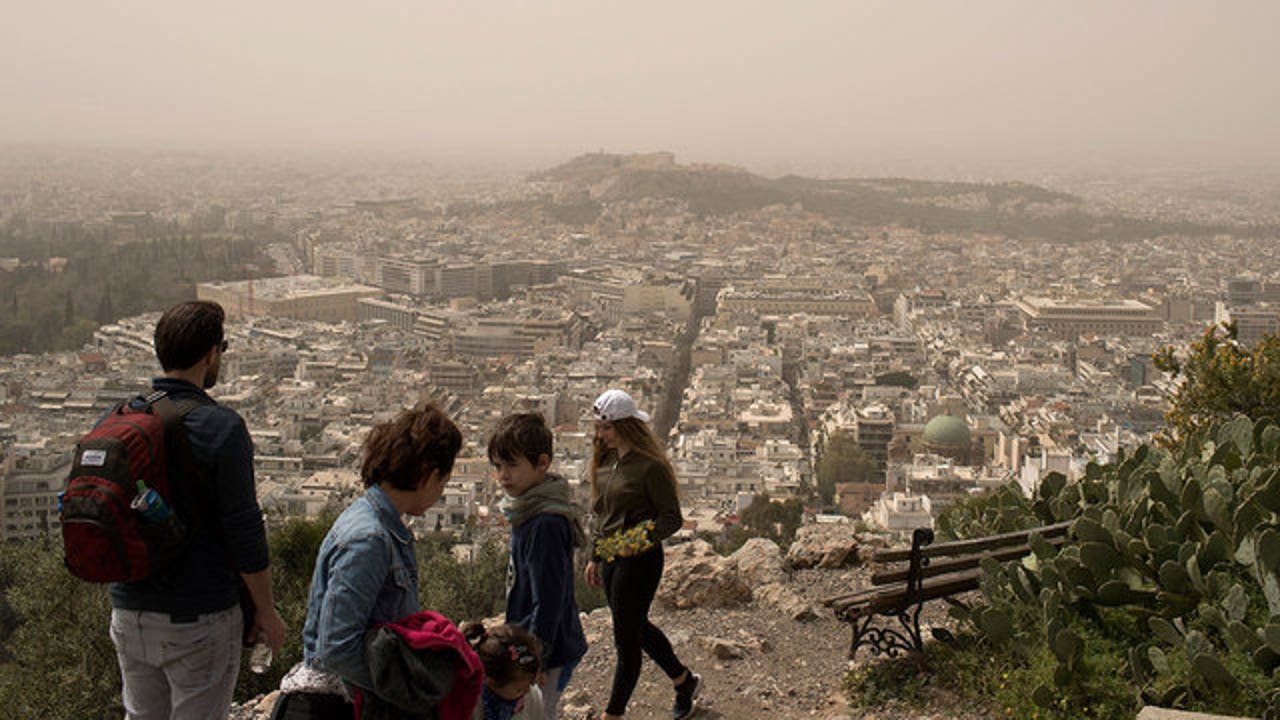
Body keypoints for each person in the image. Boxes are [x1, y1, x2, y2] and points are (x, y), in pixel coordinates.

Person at [108, 300, 287, 720]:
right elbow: (245, 532)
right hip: (198, 616)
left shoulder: (120, 417)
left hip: (129, 610)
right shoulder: (222, 427)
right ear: (211, 353)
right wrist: (265, 610)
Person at [293, 402, 464, 719]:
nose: (440, 493)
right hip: (343, 705)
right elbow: (337, 647)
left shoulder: (380, 526)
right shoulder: (369, 540)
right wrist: (407, 688)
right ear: (428, 475)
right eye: (443, 483)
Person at [583, 389, 701, 720]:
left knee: (627, 641)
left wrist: (636, 540)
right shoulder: (604, 463)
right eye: (598, 427)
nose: (600, 435)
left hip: (641, 561)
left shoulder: (650, 467)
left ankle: (613, 714)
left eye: (607, 427)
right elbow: (602, 514)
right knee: (634, 625)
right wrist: (595, 555)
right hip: (611, 558)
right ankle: (684, 681)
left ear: (626, 426)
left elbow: (671, 519)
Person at [487, 413, 588, 719]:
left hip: (548, 649)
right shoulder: (526, 508)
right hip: (530, 643)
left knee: (538, 712)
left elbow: (549, 599)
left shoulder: (545, 523)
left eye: (512, 465)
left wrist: (535, 659)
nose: (503, 475)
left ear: (542, 463)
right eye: (498, 466)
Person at [461, 622, 544, 720]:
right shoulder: (469, 704)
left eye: (531, 683)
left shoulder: (531, 697)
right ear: (491, 682)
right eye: (519, 690)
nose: (528, 691)